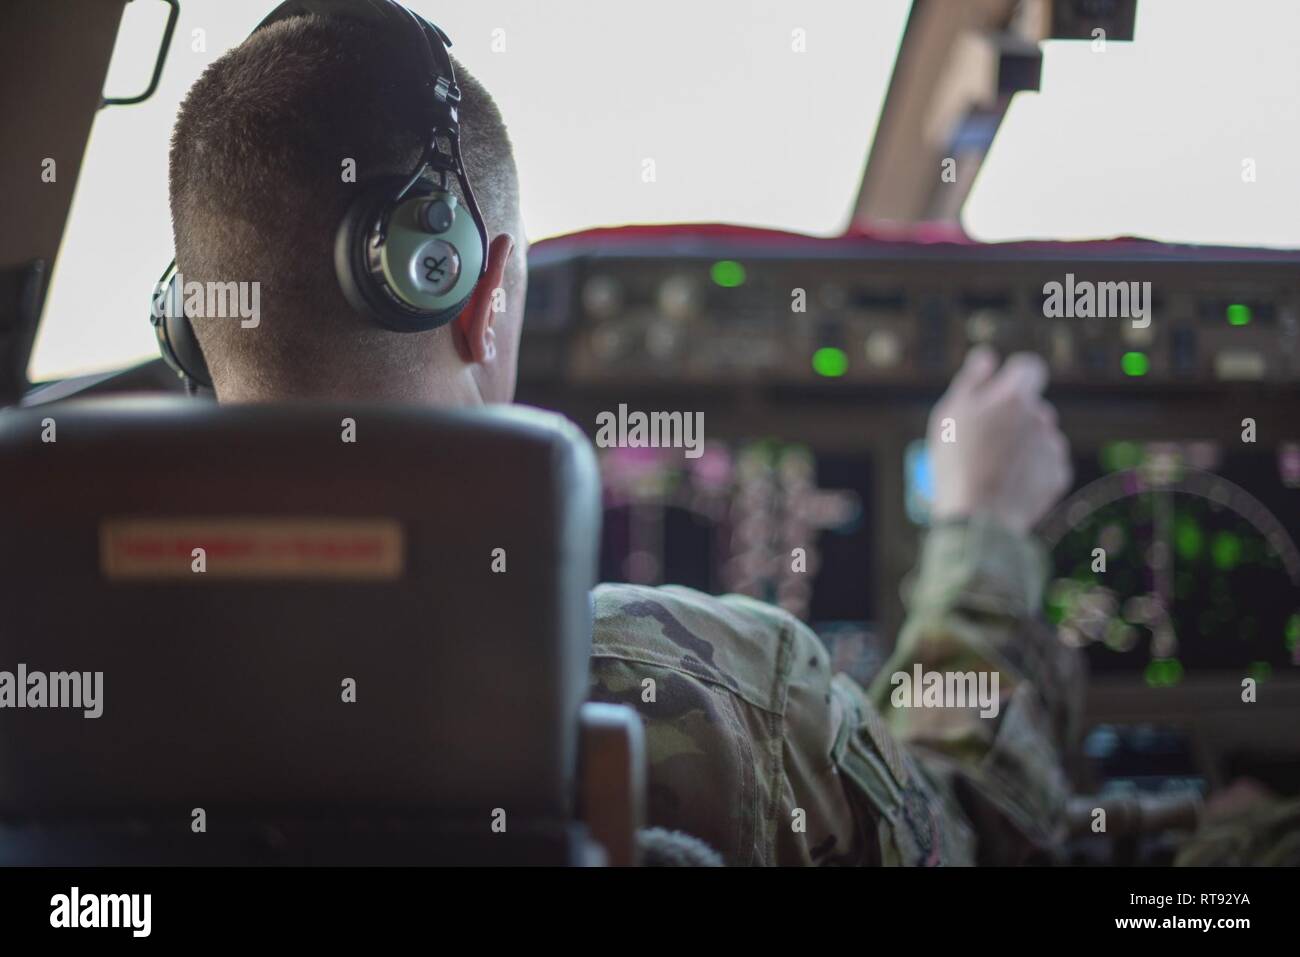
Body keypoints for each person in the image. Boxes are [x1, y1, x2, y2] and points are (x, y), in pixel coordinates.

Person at [167, 10, 1081, 865]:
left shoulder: (76, 672)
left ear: (187, 324)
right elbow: (979, 834)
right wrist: (982, 537)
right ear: (482, 296)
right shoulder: (715, 694)